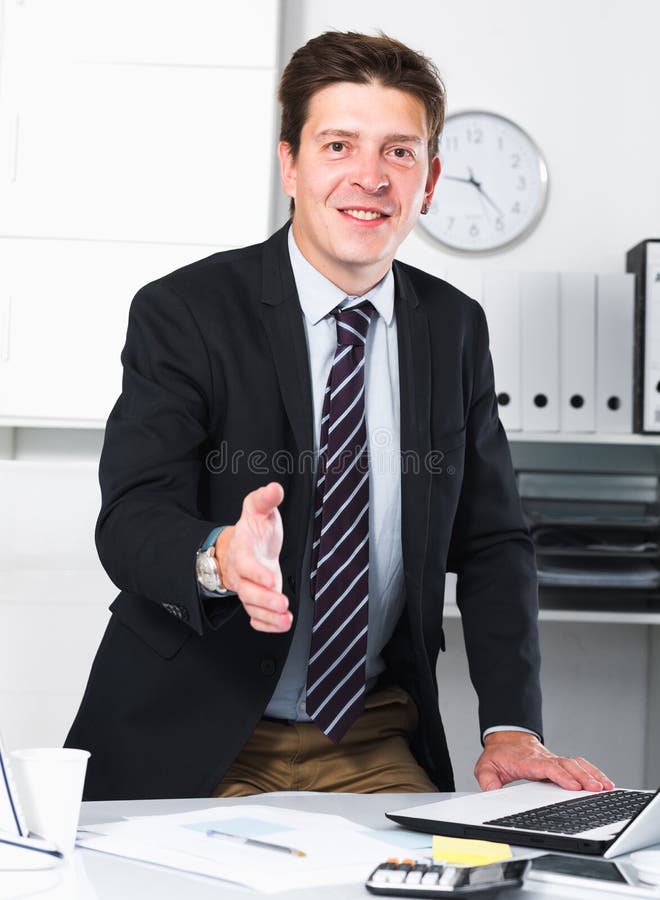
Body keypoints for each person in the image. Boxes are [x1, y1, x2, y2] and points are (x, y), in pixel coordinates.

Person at [66, 30, 613, 800]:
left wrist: (511, 728)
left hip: (367, 734)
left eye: (399, 152)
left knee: (459, 866)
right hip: (200, 726)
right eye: (338, 146)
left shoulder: (453, 327)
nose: (371, 177)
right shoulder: (185, 312)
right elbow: (130, 517)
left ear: (430, 180)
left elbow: (493, 542)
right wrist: (221, 557)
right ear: (290, 165)